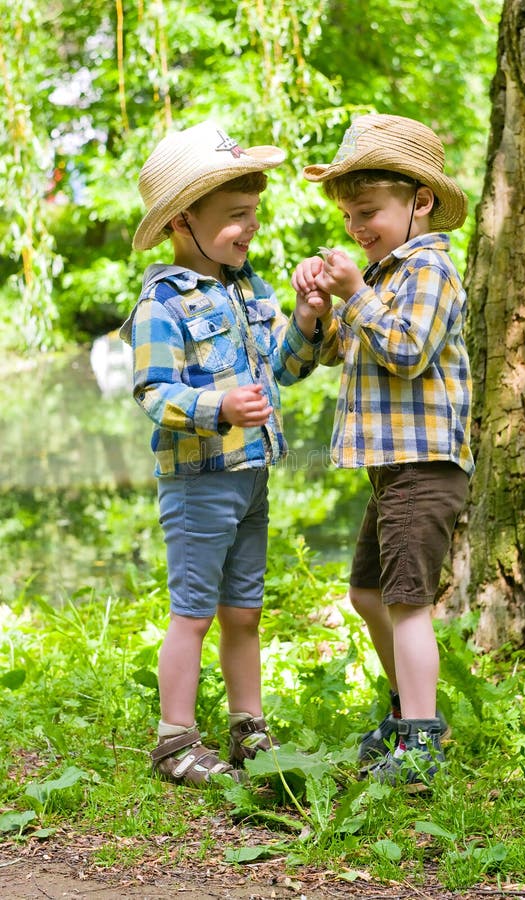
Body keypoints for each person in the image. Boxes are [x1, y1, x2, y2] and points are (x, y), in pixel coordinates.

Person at [120, 119, 327, 786]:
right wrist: (219, 409)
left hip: (251, 477)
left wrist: (305, 320)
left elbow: (285, 369)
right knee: (195, 612)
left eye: (253, 213)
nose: (251, 228)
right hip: (198, 482)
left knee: (244, 610)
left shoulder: (249, 289)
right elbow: (154, 392)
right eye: (236, 216)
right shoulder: (162, 301)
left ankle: (249, 729)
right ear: (184, 221)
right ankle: (174, 740)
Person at [292, 113, 475, 790]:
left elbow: (405, 352)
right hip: (391, 469)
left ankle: (421, 745)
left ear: (419, 202)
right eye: (347, 215)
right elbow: (329, 351)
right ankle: (411, 717)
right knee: (369, 593)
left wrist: (356, 292)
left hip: (425, 465)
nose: (355, 228)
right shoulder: (380, 277)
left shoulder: (430, 271)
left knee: (407, 603)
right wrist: (315, 308)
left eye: (367, 211)